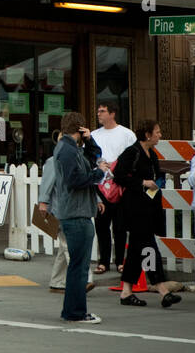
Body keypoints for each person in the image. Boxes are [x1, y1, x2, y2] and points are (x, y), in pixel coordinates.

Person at [113, 120, 182, 308]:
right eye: (157, 132)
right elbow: (119, 175)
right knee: (149, 248)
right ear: (147, 135)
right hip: (135, 209)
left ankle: (126, 292)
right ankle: (162, 289)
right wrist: (142, 182)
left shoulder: (151, 154)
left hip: (148, 209)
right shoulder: (132, 152)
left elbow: (157, 176)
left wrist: (154, 183)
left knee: (136, 251)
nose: (160, 135)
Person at [50, 112, 106, 324]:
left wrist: (90, 140)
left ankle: (72, 311)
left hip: (77, 212)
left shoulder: (70, 149)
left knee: (78, 266)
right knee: (79, 268)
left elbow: (92, 157)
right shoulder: (67, 151)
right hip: (76, 214)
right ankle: (76, 312)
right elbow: (75, 179)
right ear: (79, 129)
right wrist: (98, 174)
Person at [36, 130, 95, 295]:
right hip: (60, 208)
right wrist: (43, 202)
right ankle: (86, 279)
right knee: (69, 244)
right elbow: (47, 183)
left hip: (70, 207)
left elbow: (87, 179)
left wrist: (96, 200)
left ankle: (57, 281)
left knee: (64, 246)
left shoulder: (78, 158)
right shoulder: (54, 160)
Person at [91, 101, 136, 275]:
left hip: (119, 185)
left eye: (102, 111)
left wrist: (117, 167)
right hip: (100, 185)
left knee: (120, 226)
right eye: (98, 111)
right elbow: (91, 156)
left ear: (112, 113)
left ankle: (120, 261)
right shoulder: (94, 135)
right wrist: (100, 164)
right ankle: (103, 261)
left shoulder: (126, 134)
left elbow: (132, 157)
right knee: (101, 225)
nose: (99, 114)